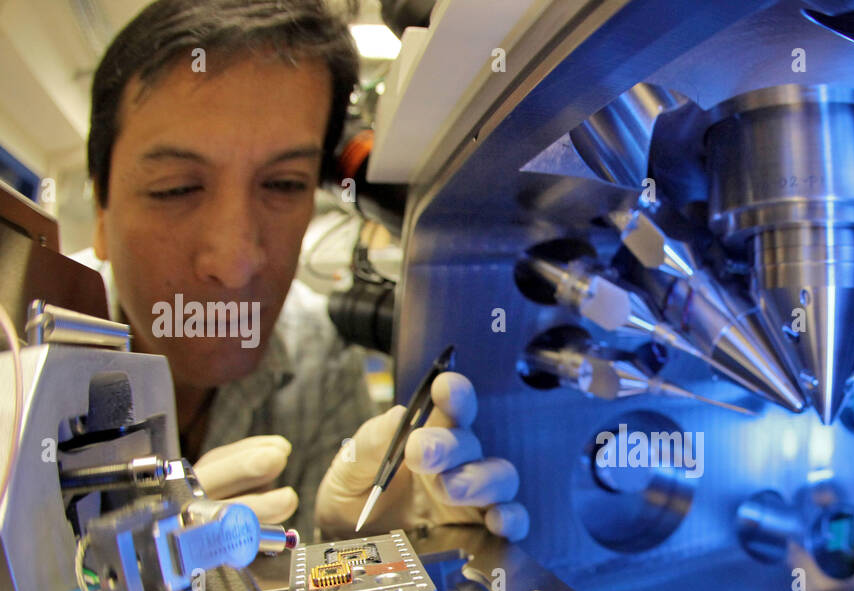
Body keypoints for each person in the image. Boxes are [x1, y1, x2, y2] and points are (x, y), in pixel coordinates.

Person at [81, 0, 527, 541]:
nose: (235, 261)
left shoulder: (322, 360)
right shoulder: (20, 366)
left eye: (284, 184)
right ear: (100, 212)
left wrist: (351, 546)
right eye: (176, 189)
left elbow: (324, 580)